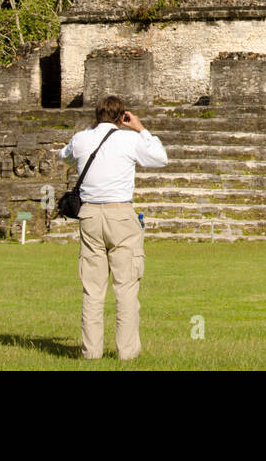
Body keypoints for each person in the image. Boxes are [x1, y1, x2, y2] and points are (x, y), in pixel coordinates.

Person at [60, 94, 169, 359]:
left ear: (96, 116)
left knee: (93, 289)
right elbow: (160, 158)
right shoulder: (130, 138)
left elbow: (66, 157)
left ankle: (91, 352)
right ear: (123, 117)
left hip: (89, 217)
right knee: (126, 287)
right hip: (120, 216)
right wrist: (140, 128)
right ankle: (127, 352)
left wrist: (91, 129)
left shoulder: (82, 138)